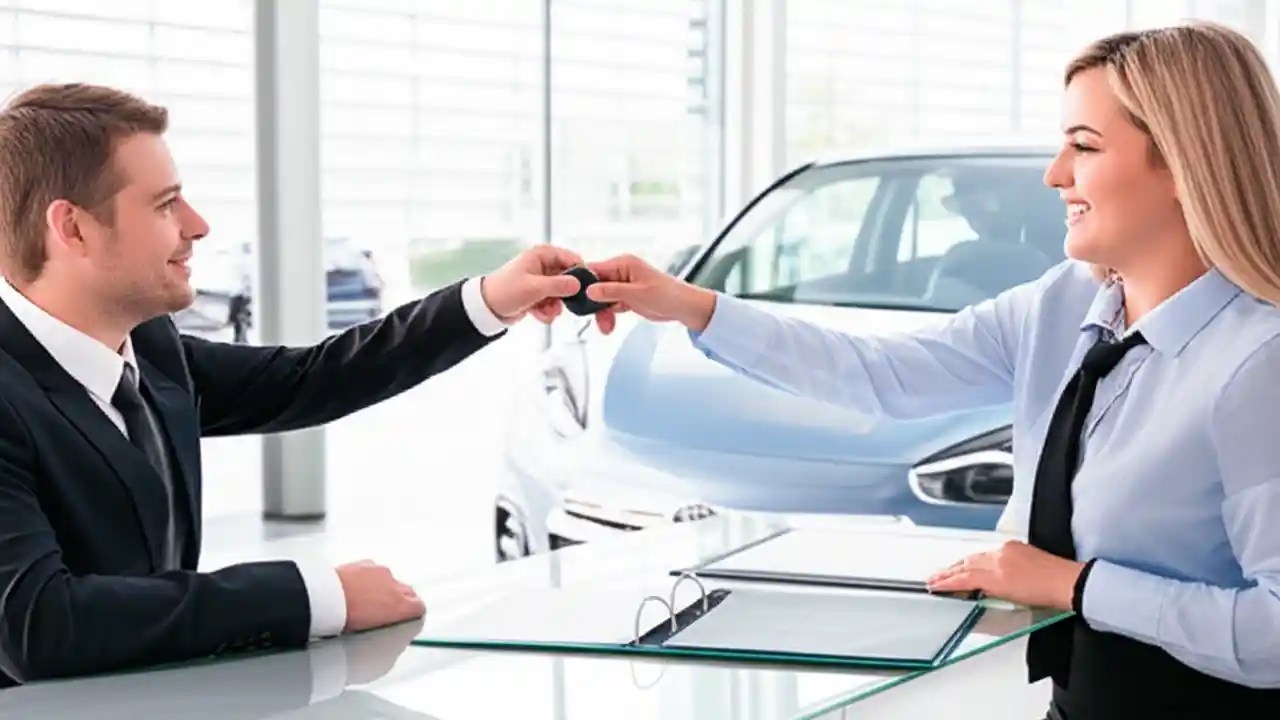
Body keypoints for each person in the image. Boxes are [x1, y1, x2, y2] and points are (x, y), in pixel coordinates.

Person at [583, 23, 1280, 719]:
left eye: (1084, 146)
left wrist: (1076, 586)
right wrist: (689, 306)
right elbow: (883, 374)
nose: (1054, 173)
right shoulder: (1063, 303)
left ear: (1186, 165)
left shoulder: (1258, 363)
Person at [0, 83, 584, 684]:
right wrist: (316, 598)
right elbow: (38, 626)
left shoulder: (150, 347)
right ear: (72, 229)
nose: (197, 226)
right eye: (165, 203)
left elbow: (310, 378)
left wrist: (489, 301)